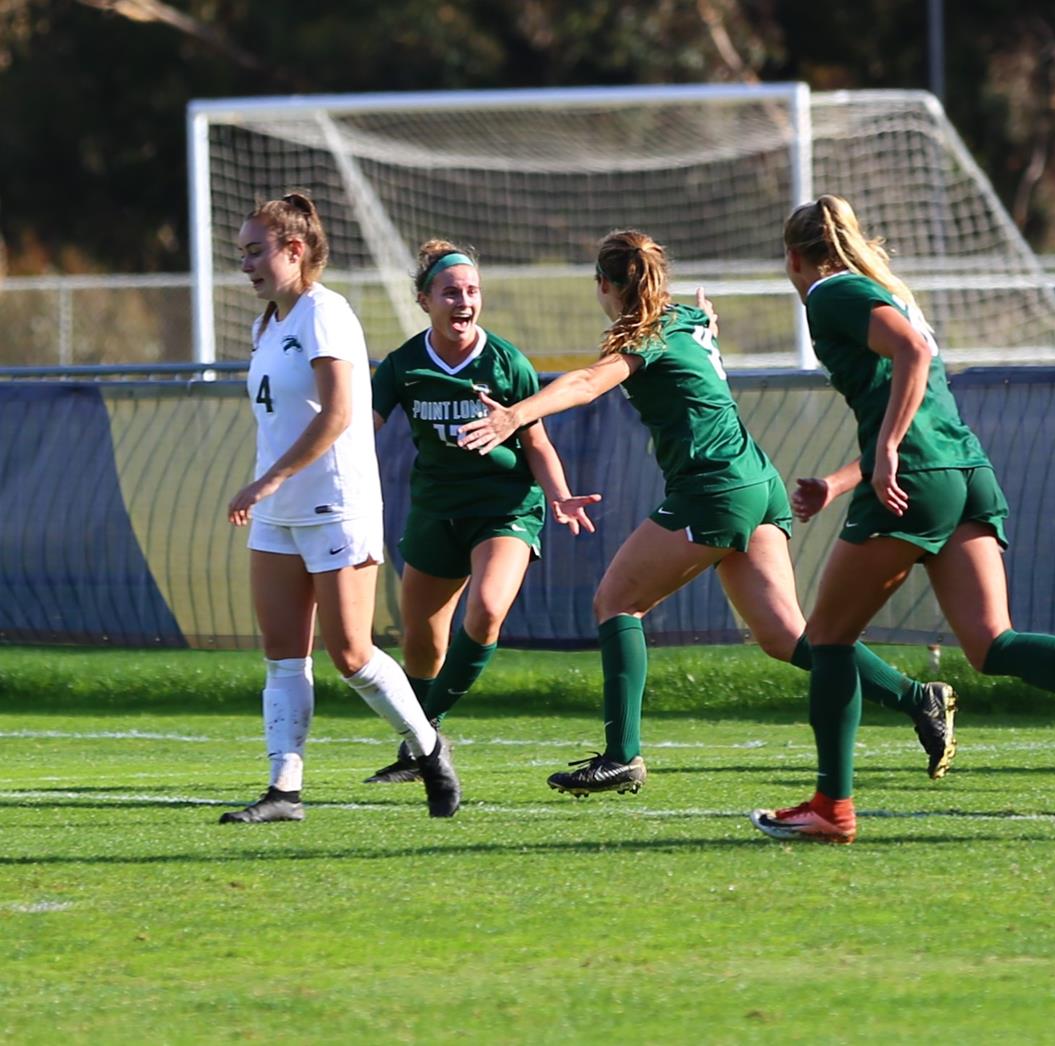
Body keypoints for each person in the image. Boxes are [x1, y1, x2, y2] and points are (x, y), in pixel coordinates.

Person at [457, 229, 956, 796]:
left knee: (616, 601)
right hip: (756, 482)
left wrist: (512, 416)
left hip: (715, 489)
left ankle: (623, 755)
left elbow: (590, 382)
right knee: (785, 635)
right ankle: (920, 698)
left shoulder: (646, 335)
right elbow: (694, 340)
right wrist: (707, 320)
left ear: (605, 286)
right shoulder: (686, 322)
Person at [752, 194, 1055, 845]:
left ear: (793, 257)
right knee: (991, 644)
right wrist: (847, 478)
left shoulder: (829, 293)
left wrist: (890, 450)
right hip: (961, 473)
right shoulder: (886, 291)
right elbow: (911, 394)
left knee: (829, 642)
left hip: (919, 477)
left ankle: (832, 808)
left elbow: (910, 363)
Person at [222, 192, 458, 823]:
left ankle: (430, 749)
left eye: (255, 251)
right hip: (278, 510)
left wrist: (266, 481)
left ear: (294, 251)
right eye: (241, 252)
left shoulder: (326, 314)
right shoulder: (265, 324)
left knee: (350, 654)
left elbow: (339, 415)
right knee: (282, 655)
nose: (244, 264)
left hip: (334, 503)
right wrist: (268, 487)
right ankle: (283, 791)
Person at [363, 240, 601, 784]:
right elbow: (360, 434)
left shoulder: (506, 361)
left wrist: (560, 495)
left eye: (472, 291)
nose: (464, 301)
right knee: (421, 642)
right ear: (425, 300)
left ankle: (423, 736)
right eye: (450, 291)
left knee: (488, 608)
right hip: (436, 510)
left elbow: (536, 441)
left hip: (504, 508)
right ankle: (422, 743)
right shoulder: (403, 365)